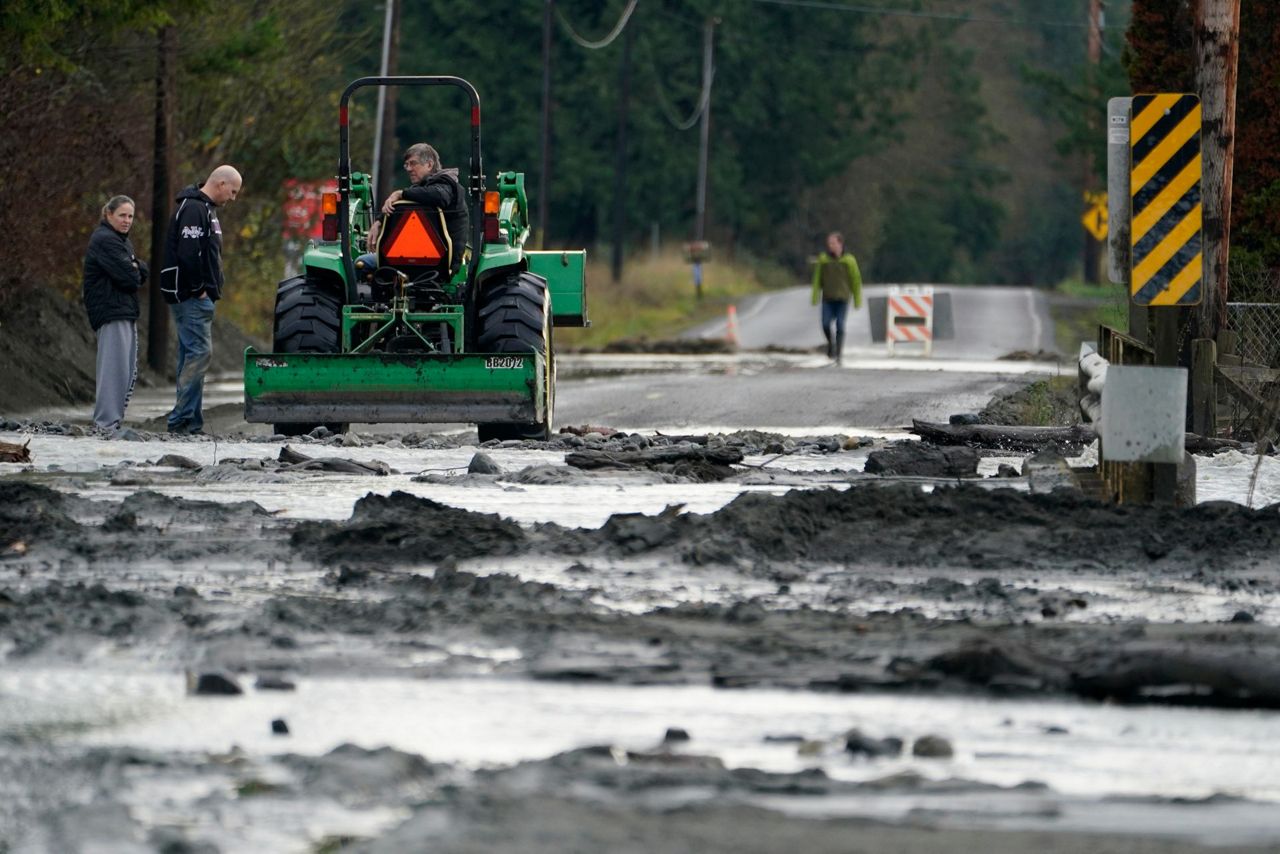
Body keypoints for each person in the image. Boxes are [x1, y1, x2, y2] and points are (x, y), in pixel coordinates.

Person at [160, 164, 242, 435]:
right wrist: (198, 289)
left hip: (198, 297)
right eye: (233, 191)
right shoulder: (195, 209)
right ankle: (182, 420)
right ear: (220, 184)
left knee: (190, 355)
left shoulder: (205, 209)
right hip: (191, 297)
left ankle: (190, 421)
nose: (233, 198)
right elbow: (188, 253)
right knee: (199, 353)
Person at [82, 195, 147, 433]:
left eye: (130, 216)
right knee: (114, 369)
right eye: (122, 215)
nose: (127, 220)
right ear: (108, 215)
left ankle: (112, 423)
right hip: (111, 311)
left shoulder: (121, 242)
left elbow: (139, 272)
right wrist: (135, 268)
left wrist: (136, 266)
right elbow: (130, 277)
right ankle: (105, 424)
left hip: (123, 311)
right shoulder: (105, 240)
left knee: (127, 370)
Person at [367, 143, 470, 278]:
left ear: (429, 164)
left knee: (362, 263)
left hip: (440, 264)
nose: (409, 169)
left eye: (413, 163)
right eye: (406, 165)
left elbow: (440, 196)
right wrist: (378, 222)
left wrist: (400, 193)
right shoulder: (421, 191)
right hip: (411, 260)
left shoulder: (446, 184)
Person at [810, 231, 863, 365]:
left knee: (840, 325)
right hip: (827, 298)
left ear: (840, 244)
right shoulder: (823, 259)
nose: (830, 246)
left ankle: (838, 354)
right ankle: (831, 345)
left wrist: (857, 299)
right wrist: (815, 295)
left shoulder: (849, 260)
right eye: (829, 243)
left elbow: (856, 280)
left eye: (833, 243)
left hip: (843, 298)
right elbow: (817, 279)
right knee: (825, 324)